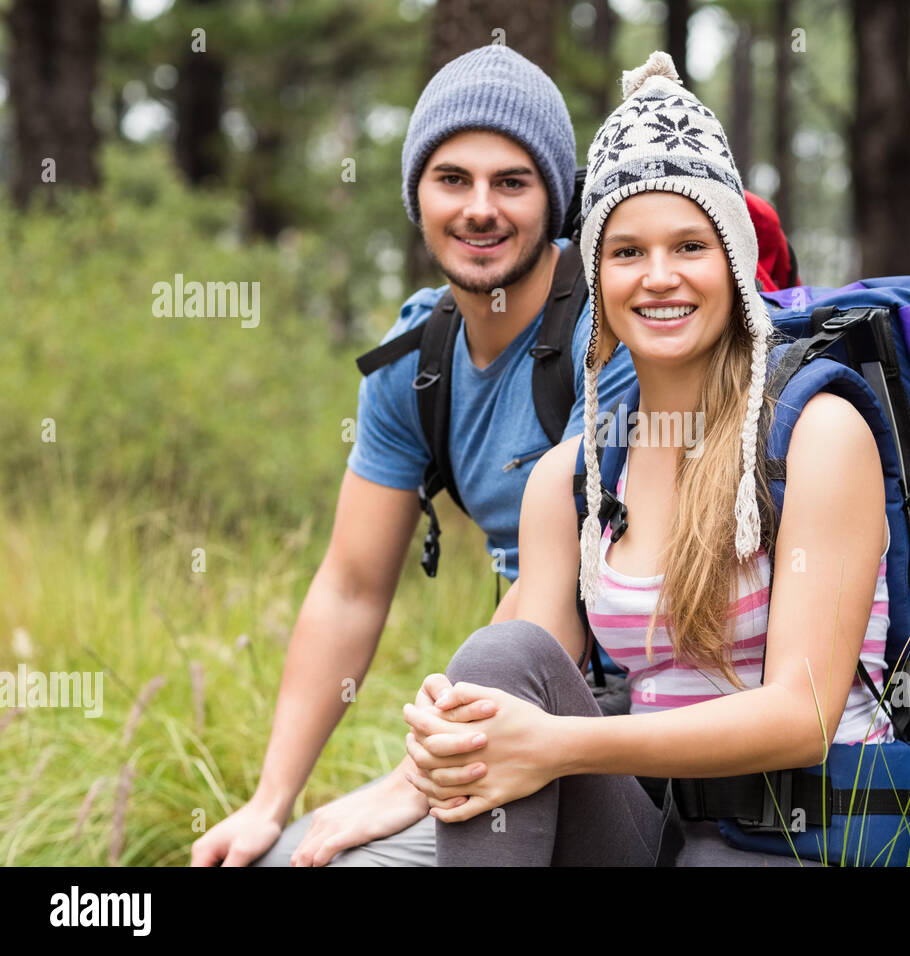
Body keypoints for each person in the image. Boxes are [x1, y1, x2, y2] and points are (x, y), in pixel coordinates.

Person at [399, 52, 894, 866]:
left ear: (733, 261)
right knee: (492, 661)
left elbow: (803, 716)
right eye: (626, 252)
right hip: (658, 832)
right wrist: (444, 730)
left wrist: (558, 745)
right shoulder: (578, 477)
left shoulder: (818, 432)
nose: (659, 277)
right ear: (596, 276)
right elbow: (512, 689)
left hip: (802, 835)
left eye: (689, 245)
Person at [190, 44, 638, 867]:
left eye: (512, 181)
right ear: (416, 195)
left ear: (555, 198)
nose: (480, 208)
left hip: (633, 728)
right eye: (451, 179)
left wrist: (411, 779)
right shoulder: (414, 360)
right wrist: (269, 799)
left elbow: (567, 579)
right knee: (277, 855)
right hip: (505, 709)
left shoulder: (611, 330)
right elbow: (351, 588)